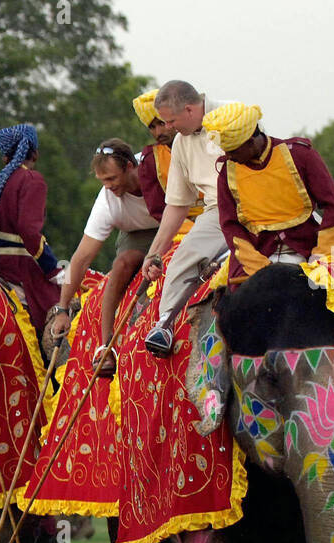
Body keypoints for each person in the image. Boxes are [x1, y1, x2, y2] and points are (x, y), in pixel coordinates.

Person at [204, 102, 334, 287]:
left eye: (233, 150)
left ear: (251, 141)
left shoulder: (301, 155)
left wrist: (322, 255)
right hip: (256, 256)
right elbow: (230, 225)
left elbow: (332, 206)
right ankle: (168, 313)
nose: (228, 156)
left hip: (310, 249)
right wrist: (259, 267)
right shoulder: (227, 172)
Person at [140, 80, 230, 356]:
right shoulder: (180, 143)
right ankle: (165, 325)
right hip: (218, 213)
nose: (167, 128)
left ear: (190, 110)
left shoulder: (233, 117)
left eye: (170, 120)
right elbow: (177, 205)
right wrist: (154, 253)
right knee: (182, 259)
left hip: (261, 206)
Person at [54, 140, 160, 368]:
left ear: (131, 166)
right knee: (122, 263)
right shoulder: (107, 201)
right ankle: (106, 346)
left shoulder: (160, 168)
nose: (108, 186)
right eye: (103, 181)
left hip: (177, 223)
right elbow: (81, 258)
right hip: (136, 235)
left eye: (112, 179)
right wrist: (62, 309)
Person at [0, 124, 63, 333]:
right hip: (17, 268)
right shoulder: (32, 180)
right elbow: (29, 231)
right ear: (34, 151)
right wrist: (53, 269)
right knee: (60, 306)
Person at [132, 89, 201, 225]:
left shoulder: (205, 141)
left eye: (162, 123)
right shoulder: (151, 159)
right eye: (152, 127)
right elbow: (158, 210)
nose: (158, 132)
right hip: (181, 227)